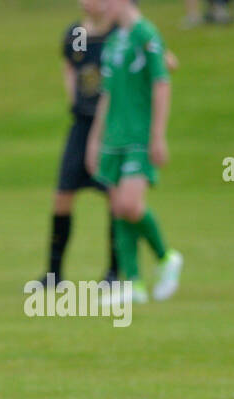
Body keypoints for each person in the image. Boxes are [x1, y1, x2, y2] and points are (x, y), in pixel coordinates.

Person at [86, 0, 183, 306]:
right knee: (118, 210)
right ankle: (135, 284)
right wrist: (94, 139)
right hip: (114, 137)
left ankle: (166, 257)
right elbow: (108, 93)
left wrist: (157, 136)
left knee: (130, 204)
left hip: (139, 137)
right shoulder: (115, 40)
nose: (102, 6)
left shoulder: (145, 33)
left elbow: (161, 83)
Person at [40, 0, 120, 287]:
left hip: (112, 126)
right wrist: (74, 99)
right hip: (82, 124)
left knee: (115, 197)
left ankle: (114, 273)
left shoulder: (120, 33)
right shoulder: (76, 33)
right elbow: (70, 65)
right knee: (63, 195)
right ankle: (53, 274)